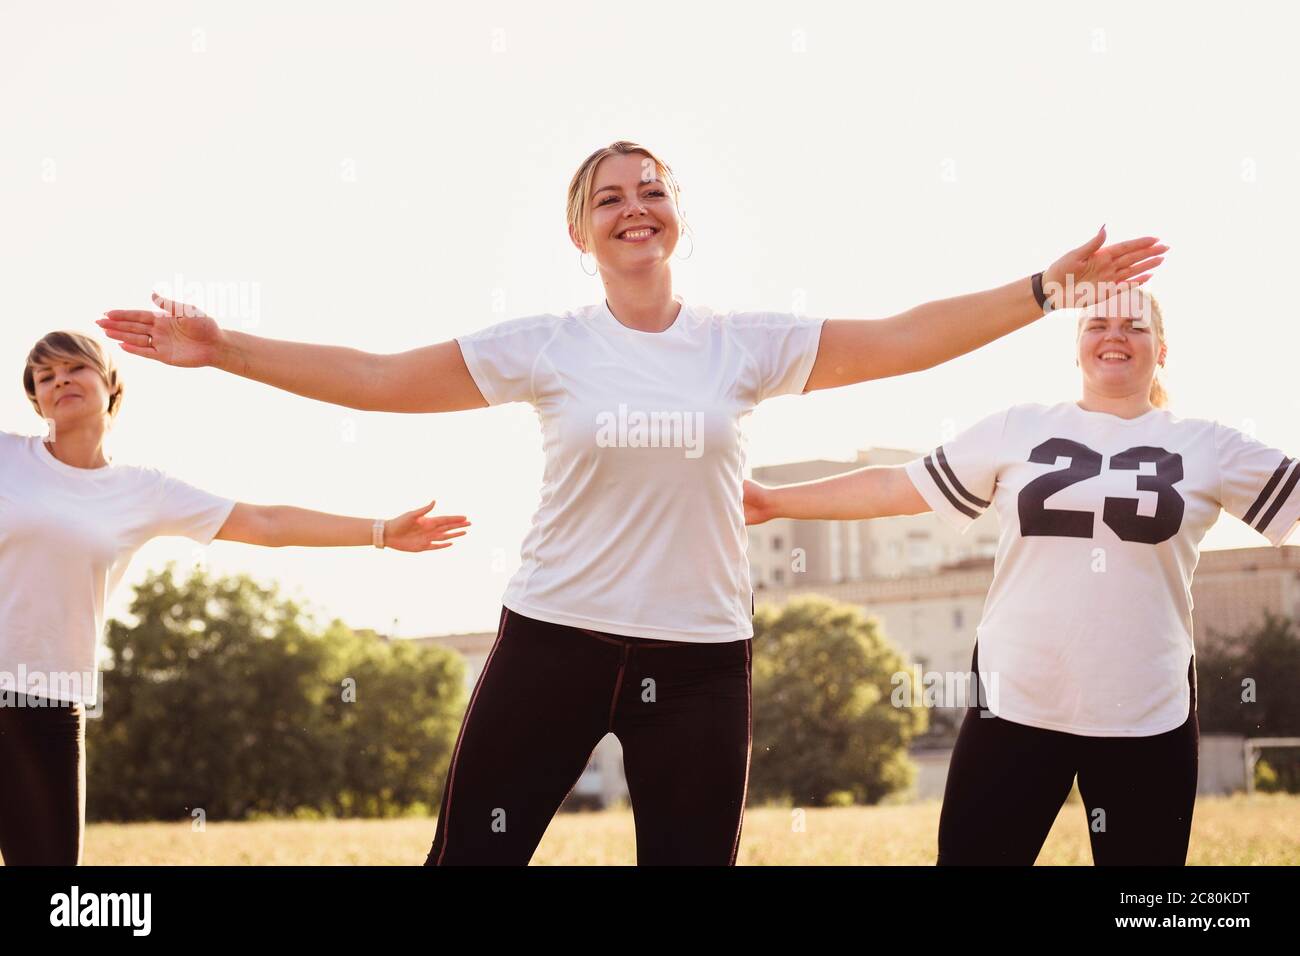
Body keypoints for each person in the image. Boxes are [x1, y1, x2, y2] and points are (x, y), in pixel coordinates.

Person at [98, 140, 1165, 865]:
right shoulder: (545, 345)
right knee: (470, 858)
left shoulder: (740, 342)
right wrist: (223, 347)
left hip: (699, 656)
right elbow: (380, 378)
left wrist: (1043, 291)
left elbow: (896, 338)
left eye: (650, 190)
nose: (632, 207)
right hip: (553, 640)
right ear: (581, 233)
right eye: (608, 196)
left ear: (676, 219)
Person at [743, 287, 1299, 864]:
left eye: (1134, 327)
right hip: (1016, 704)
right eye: (1098, 324)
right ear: (1076, 346)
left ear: (1161, 350)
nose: (1114, 335)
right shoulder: (1020, 428)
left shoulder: (1208, 445)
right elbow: (897, 486)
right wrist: (771, 502)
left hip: (1146, 711)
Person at [0, 330, 471, 865]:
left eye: (74, 368)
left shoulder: (141, 490)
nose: (60, 379)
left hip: (51, 699)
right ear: (35, 400)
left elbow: (265, 523)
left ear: (110, 383)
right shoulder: (7, 457)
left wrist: (382, 530)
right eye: (45, 375)